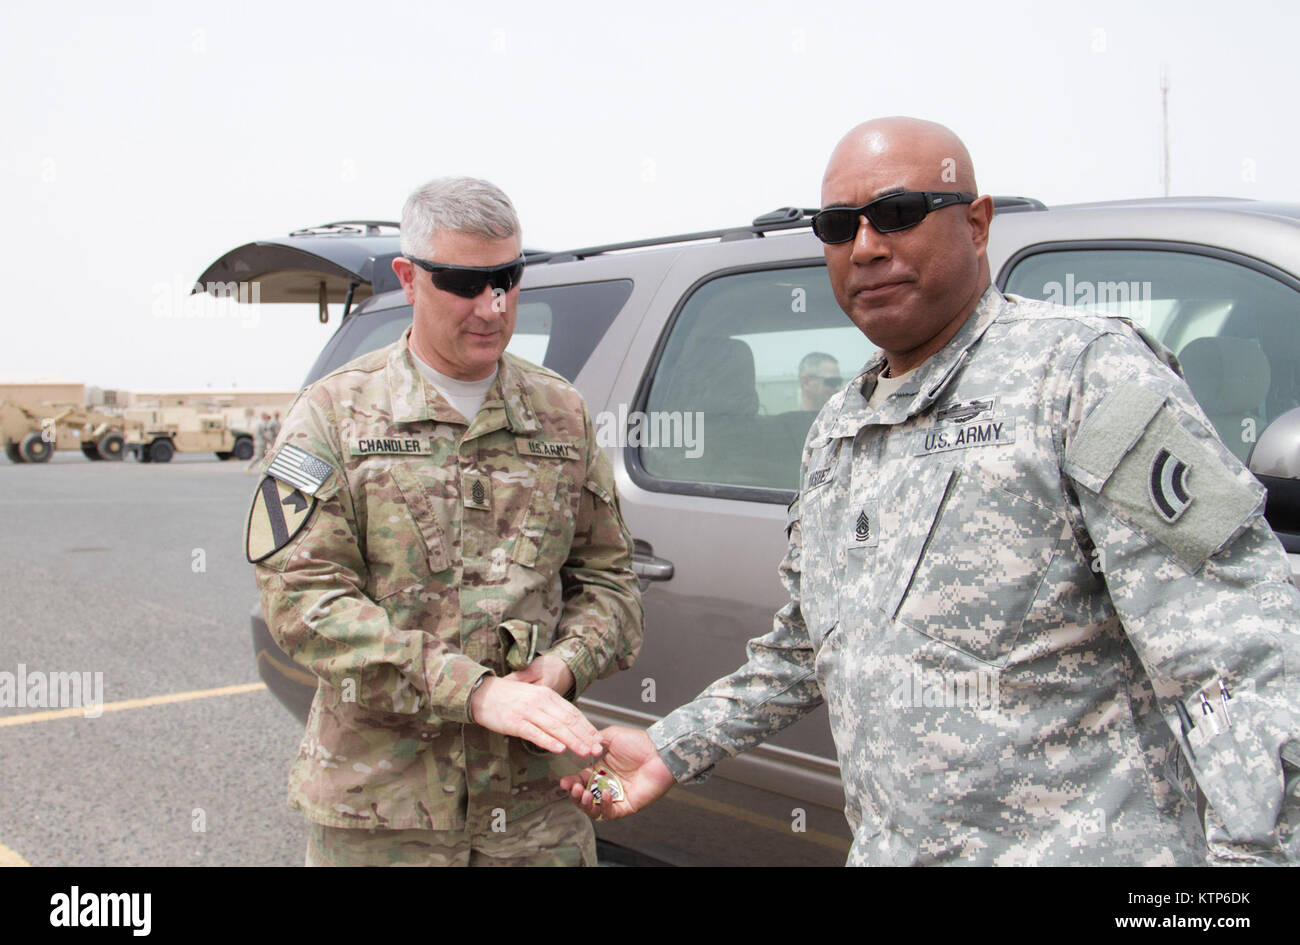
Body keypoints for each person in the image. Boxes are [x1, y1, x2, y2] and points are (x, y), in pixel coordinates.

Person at [563, 117, 1300, 865]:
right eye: (837, 225)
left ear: (977, 225)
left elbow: (1244, 657)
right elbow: (808, 645)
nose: (867, 246)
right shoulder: (841, 429)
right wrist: (671, 747)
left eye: (900, 213)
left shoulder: (1081, 377)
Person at [247, 175, 643, 866]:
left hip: (534, 819)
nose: (492, 306)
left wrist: (562, 669)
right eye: (464, 281)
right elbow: (302, 600)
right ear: (408, 277)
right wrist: (474, 693)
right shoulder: (333, 413)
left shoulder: (561, 414)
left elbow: (609, 581)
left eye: (508, 278)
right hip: (384, 820)